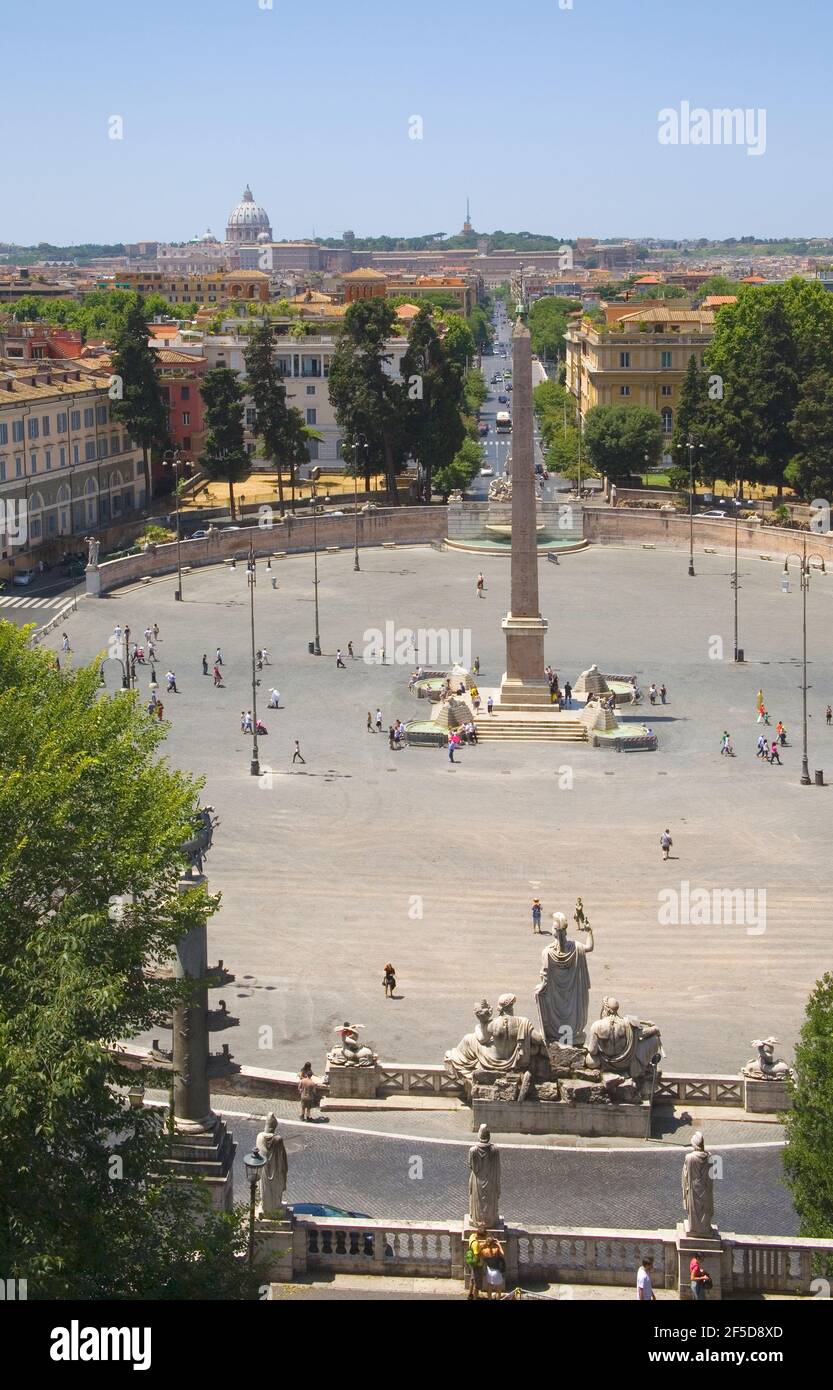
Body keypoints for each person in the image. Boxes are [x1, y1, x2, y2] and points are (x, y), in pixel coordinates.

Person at [480, 1234, 506, 1299]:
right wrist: (498, 1244)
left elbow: (479, 1250)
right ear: (493, 1243)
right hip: (496, 1271)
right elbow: (502, 1254)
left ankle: (489, 1298)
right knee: (498, 1288)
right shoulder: (496, 1250)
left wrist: (485, 1243)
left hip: (489, 1271)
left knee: (489, 1287)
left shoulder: (484, 1251)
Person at [466, 1225, 487, 1300]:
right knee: (477, 1284)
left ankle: (470, 1295)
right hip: (477, 1265)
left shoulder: (472, 1236)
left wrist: (482, 1245)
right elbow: (477, 1255)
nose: (484, 1238)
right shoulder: (476, 1244)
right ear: (480, 1236)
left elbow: (476, 1246)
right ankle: (475, 1297)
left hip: (471, 1263)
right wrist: (483, 1252)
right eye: (483, 1237)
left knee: (472, 1279)